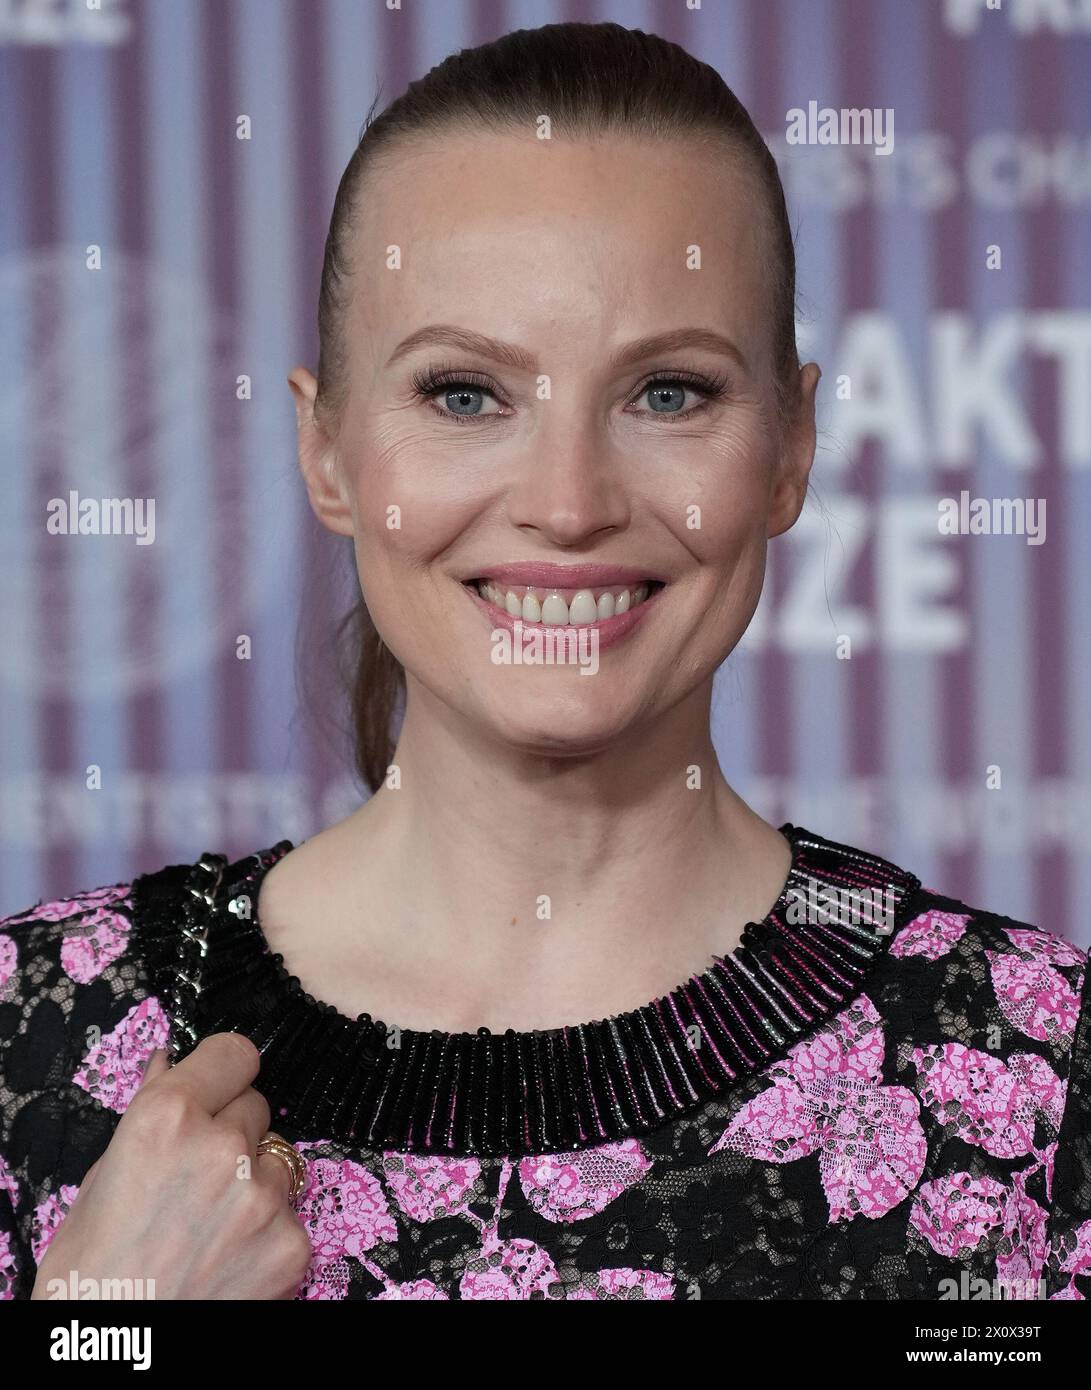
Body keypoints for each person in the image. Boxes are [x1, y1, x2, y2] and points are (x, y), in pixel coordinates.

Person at [2, 21, 1088, 1303]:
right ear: (330, 451)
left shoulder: (1041, 1080)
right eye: (465, 393)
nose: (567, 504)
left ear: (790, 448)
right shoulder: (33, 1032)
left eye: (668, 392)